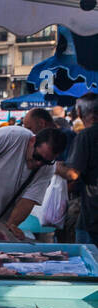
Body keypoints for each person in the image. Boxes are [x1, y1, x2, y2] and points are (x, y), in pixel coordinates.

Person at [56, 93, 98, 245]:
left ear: (79, 112)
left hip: (92, 214)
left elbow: (73, 174)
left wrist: (57, 168)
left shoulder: (86, 135)